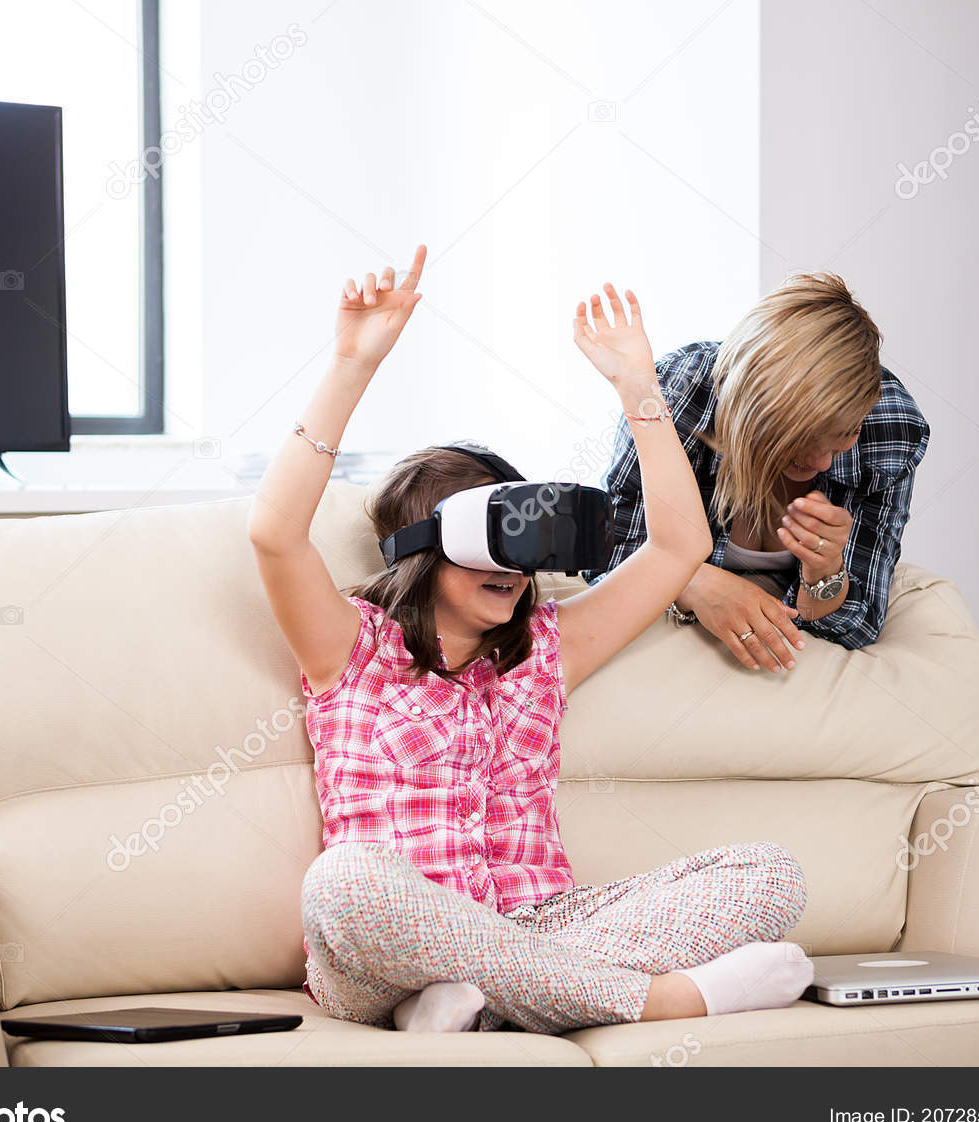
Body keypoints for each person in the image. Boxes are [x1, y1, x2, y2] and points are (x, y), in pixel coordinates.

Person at [247, 246, 812, 1034]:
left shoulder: (549, 647)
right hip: (382, 949)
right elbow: (275, 534)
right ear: (422, 550)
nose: (512, 565)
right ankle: (657, 999)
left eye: (526, 538)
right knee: (341, 882)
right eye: (490, 537)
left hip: (542, 923)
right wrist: (352, 363)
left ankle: (474, 1005)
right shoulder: (354, 647)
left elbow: (678, 548)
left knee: (769, 875)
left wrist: (638, 388)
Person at [593, 274, 930, 668]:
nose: (823, 461)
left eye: (843, 435)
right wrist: (694, 584)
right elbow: (607, 552)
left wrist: (825, 571)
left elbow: (856, 626)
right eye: (800, 440)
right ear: (752, 412)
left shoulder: (888, 429)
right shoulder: (680, 392)